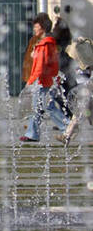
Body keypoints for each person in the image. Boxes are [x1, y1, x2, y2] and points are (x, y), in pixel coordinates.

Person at [20, 12, 72, 144]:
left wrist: (30, 81)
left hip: (44, 81)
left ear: (42, 27)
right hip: (48, 79)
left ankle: (67, 127)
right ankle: (33, 133)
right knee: (38, 107)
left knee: (46, 106)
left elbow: (40, 66)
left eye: (36, 26)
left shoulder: (45, 44)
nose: (34, 29)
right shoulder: (46, 43)